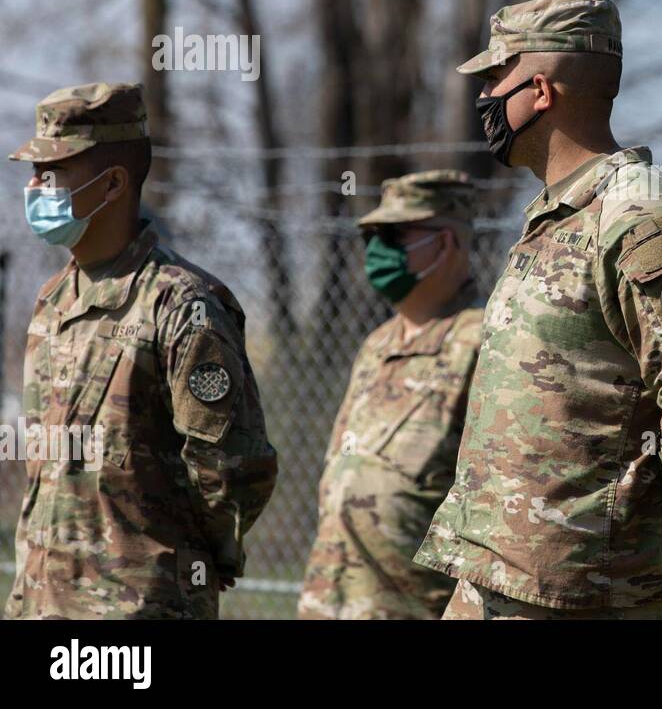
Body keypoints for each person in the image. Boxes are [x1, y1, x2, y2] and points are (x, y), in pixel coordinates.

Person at [413, 0, 662, 619]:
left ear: (540, 90)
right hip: (501, 575)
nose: (485, 97)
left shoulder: (640, 217)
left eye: (495, 78)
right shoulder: (556, 216)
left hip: (583, 590)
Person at [4, 82, 277, 619]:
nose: (36, 186)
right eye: (34, 172)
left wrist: (188, 560)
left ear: (112, 183)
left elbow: (231, 469)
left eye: (53, 172)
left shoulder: (182, 305)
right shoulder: (52, 302)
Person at [298, 170, 482, 619]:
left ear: (445, 243)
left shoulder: (485, 341)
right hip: (331, 602)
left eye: (395, 235)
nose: (377, 252)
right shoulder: (377, 345)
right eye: (373, 236)